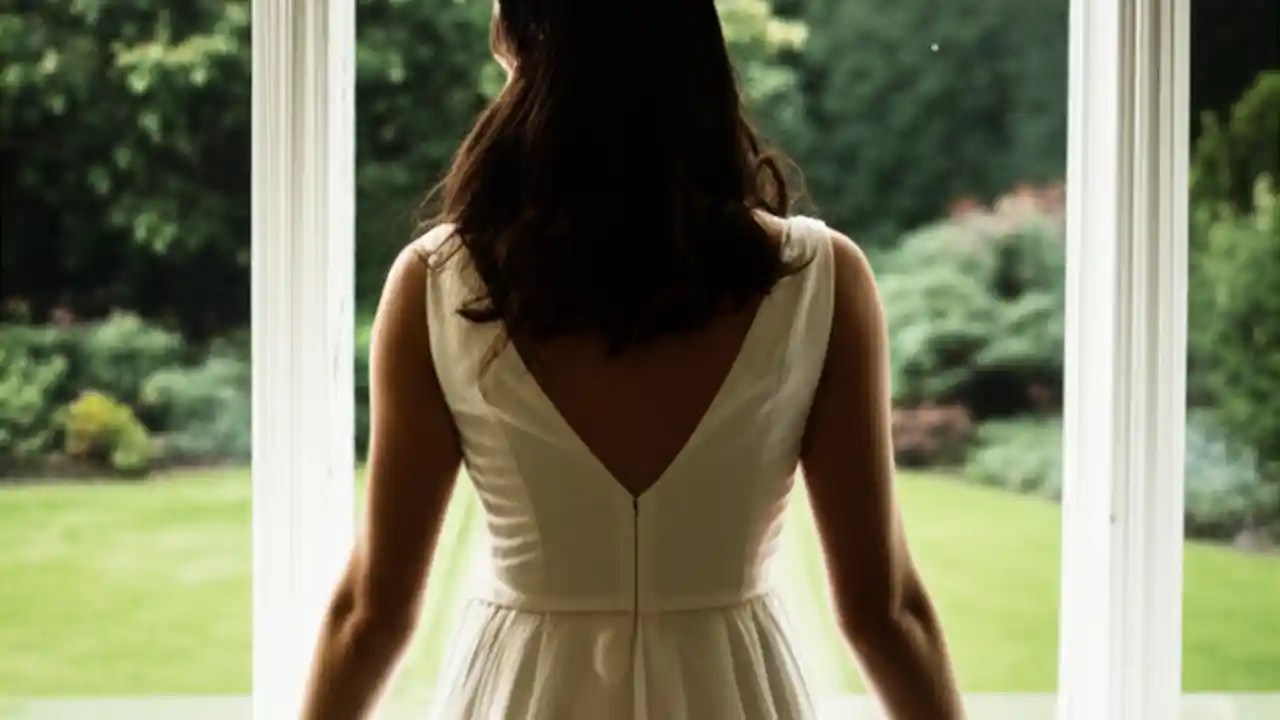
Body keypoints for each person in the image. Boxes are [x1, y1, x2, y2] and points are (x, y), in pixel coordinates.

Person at [301, 1, 963, 718]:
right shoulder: (822, 279)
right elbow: (883, 612)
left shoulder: (436, 285)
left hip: (523, 694)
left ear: (517, 51)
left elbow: (372, 614)